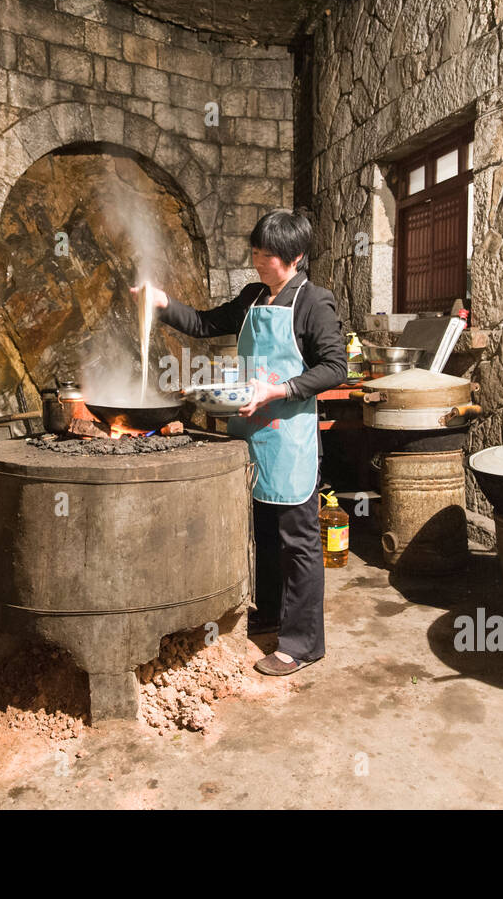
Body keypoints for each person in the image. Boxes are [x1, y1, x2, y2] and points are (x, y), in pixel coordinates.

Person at [133, 208, 347, 675]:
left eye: (265, 255)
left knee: (299, 541)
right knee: (264, 535)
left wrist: (279, 389)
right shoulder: (253, 297)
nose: (257, 262)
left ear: (294, 257)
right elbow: (206, 324)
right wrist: (162, 303)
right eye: (254, 252)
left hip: (289, 438)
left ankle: (303, 644)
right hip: (250, 434)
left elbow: (335, 368)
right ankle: (269, 614)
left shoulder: (315, 303)